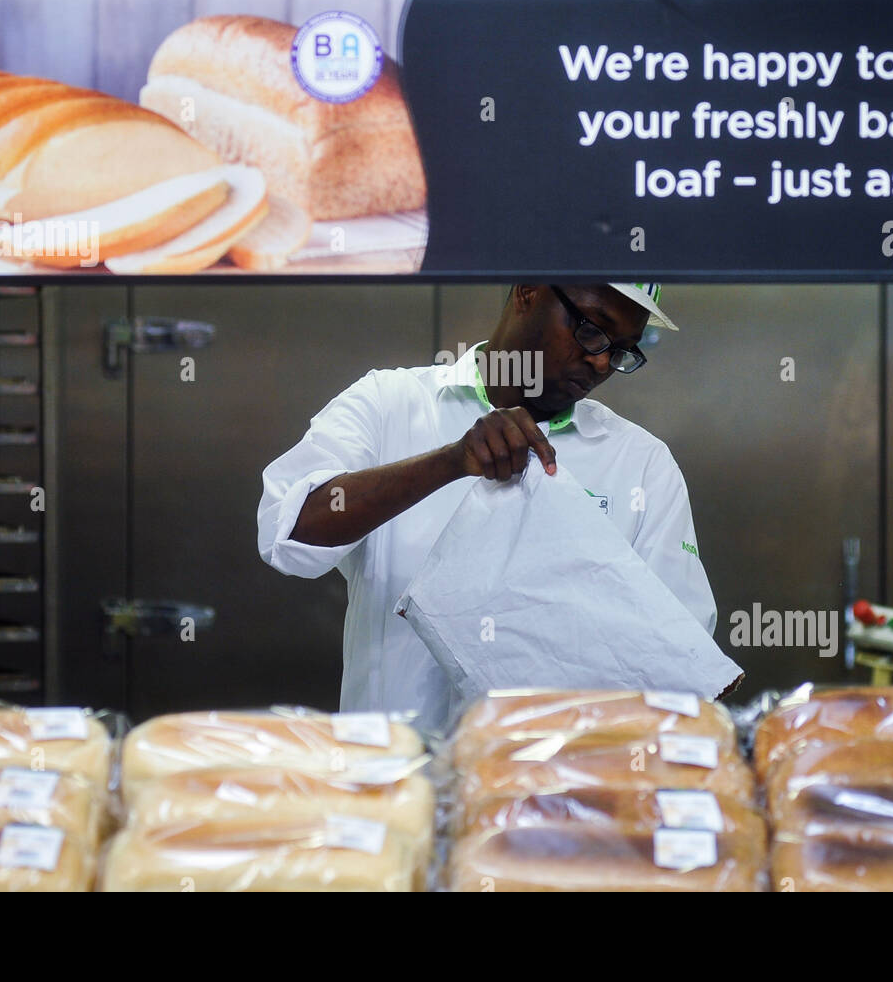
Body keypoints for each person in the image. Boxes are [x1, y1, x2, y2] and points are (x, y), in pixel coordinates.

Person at [256, 283, 721, 729]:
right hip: (395, 784)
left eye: (622, 350)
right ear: (528, 291)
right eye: (592, 329)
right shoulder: (391, 404)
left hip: (553, 795)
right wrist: (451, 461)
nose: (600, 362)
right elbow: (289, 535)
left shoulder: (640, 465)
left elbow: (676, 668)